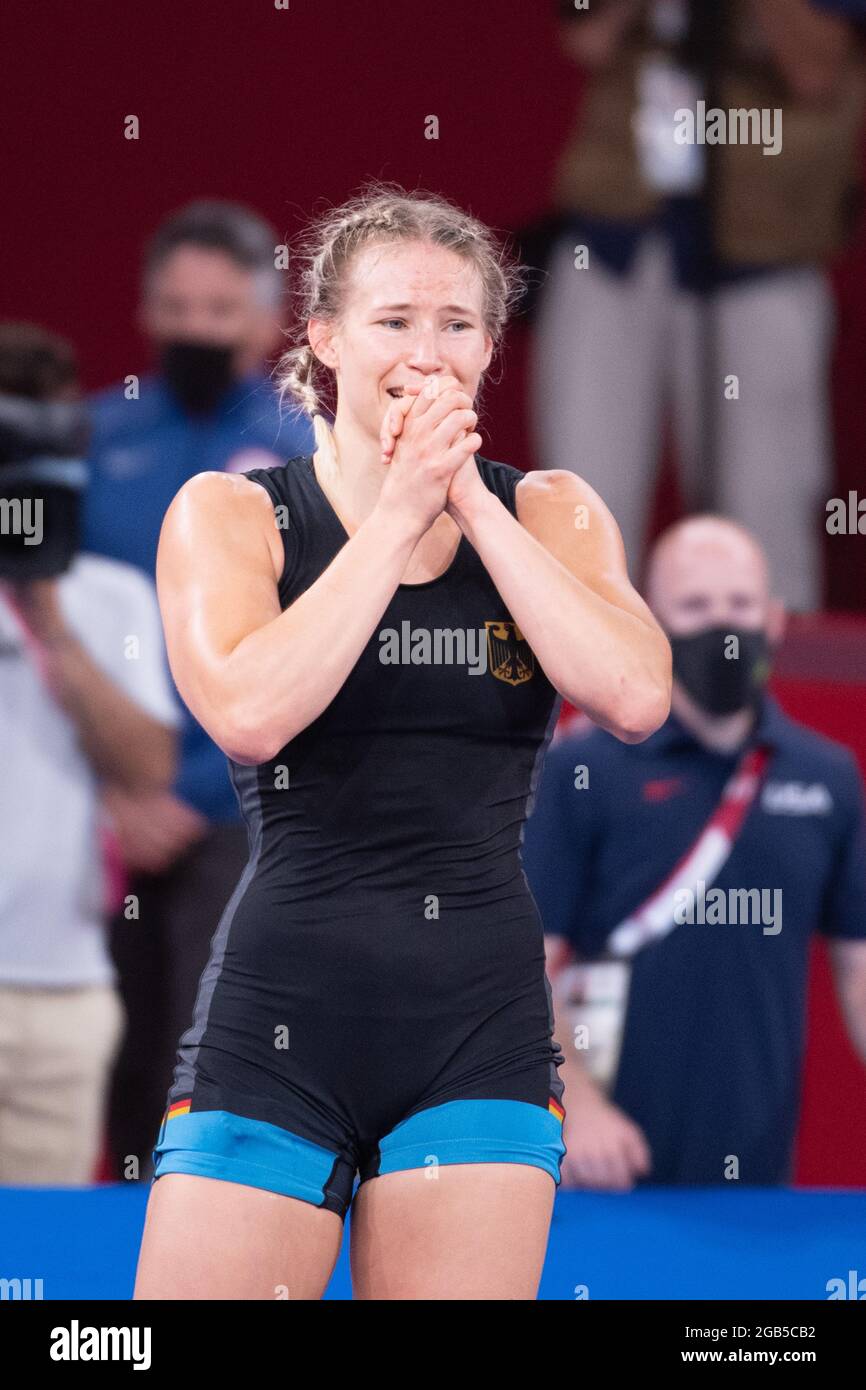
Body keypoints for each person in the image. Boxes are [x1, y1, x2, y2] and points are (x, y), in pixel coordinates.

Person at [132, 183, 671, 1300]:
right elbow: (247, 709)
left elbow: (631, 698)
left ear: (489, 347)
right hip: (279, 1013)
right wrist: (391, 516)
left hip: (476, 1021)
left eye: (456, 324)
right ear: (325, 337)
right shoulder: (230, 514)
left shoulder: (549, 510)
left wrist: (468, 505)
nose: (426, 351)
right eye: (392, 322)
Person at [522, 516, 866, 1189]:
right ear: (651, 620)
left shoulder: (827, 776)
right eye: (695, 606)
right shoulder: (585, 769)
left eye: (739, 605)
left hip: (758, 1174)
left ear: (774, 620)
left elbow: (860, 970)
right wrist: (579, 1109)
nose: (722, 624)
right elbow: (522, 961)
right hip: (599, 1171)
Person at [80, 199, 316, 1179]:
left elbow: (315, 643)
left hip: (239, 807)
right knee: (94, 1056)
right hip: (90, 799)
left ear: (267, 322)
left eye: (220, 309)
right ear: (145, 310)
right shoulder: (85, 436)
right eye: (175, 306)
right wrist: (114, 793)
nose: (195, 329)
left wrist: (186, 794)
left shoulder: (308, 451)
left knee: (204, 1057)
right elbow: (38, 619)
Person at [530, 0, 866, 612]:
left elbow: (816, 67)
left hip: (763, 256)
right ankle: (577, 694)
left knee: (764, 517)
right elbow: (586, 37)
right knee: (578, 508)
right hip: (615, 242)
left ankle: (766, 698)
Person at [0, 321, 182, 1185]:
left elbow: (149, 767)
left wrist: (49, 622)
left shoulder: (113, 599)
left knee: (33, 1264)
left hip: (65, 992)